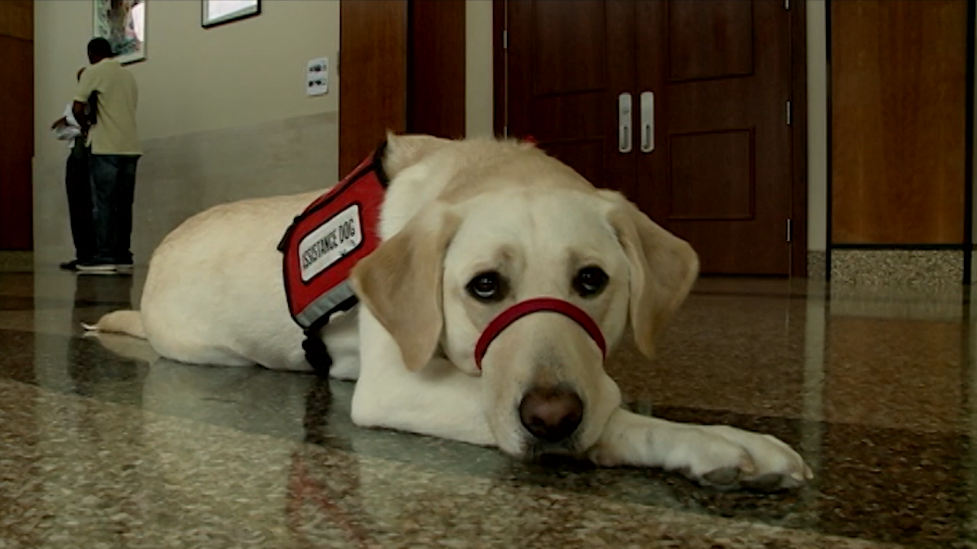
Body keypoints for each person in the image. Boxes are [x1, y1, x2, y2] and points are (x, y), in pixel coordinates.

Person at [72, 37, 141, 274]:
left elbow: (77, 107)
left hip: (106, 147)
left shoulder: (94, 71)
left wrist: (85, 126)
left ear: (91, 54)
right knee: (124, 204)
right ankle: (123, 254)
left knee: (103, 204)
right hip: (130, 147)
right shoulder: (128, 76)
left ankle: (104, 255)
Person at [51, 68, 97, 271]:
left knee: (97, 207)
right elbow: (59, 131)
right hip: (77, 159)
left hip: (97, 156)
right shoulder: (72, 106)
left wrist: (72, 123)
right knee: (78, 206)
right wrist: (77, 127)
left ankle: (98, 253)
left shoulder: (101, 106)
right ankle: (82, 253)